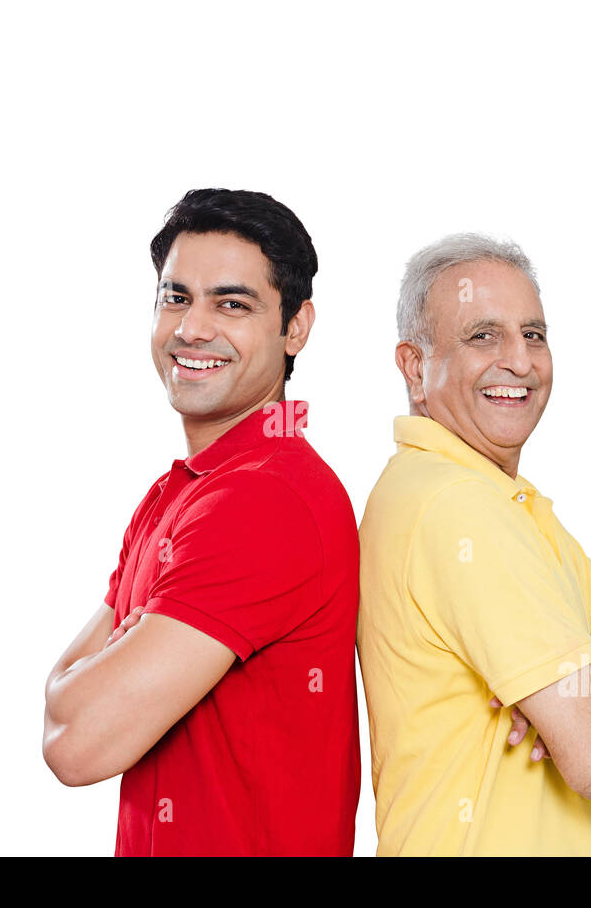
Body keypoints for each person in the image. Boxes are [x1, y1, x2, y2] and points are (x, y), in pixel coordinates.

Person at [42, 189, 360, 856]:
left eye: (232, 303)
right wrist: (91, 678)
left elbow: (76, 742)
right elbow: (63, 712)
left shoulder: (267, 500)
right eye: (176, 297)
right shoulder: (180, 491)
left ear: (296, 327)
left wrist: (102, 669)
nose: (192, 328)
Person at [357, 233, 591, 855]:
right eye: (483, 336)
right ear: (414, 366)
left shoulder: (509, 506)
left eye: (533, 334)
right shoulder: (456, 506)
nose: (520, 361)